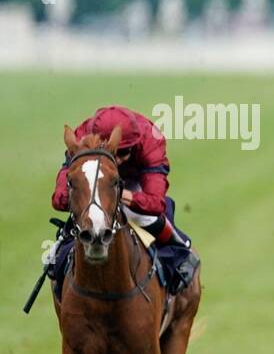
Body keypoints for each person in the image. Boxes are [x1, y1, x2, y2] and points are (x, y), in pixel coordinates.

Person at [48, 105, 198, 295]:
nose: (115, 160)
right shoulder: (82, 137)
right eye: (110, 152)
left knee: (147, 217)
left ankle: (180, 252)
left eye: (122, 153)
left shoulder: (151, 141)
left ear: (135, 146)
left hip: (135, 183)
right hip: (96, 180)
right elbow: (59, 200)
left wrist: (123, 195)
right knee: (82, 215)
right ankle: (58, 255)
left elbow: (155, 202)